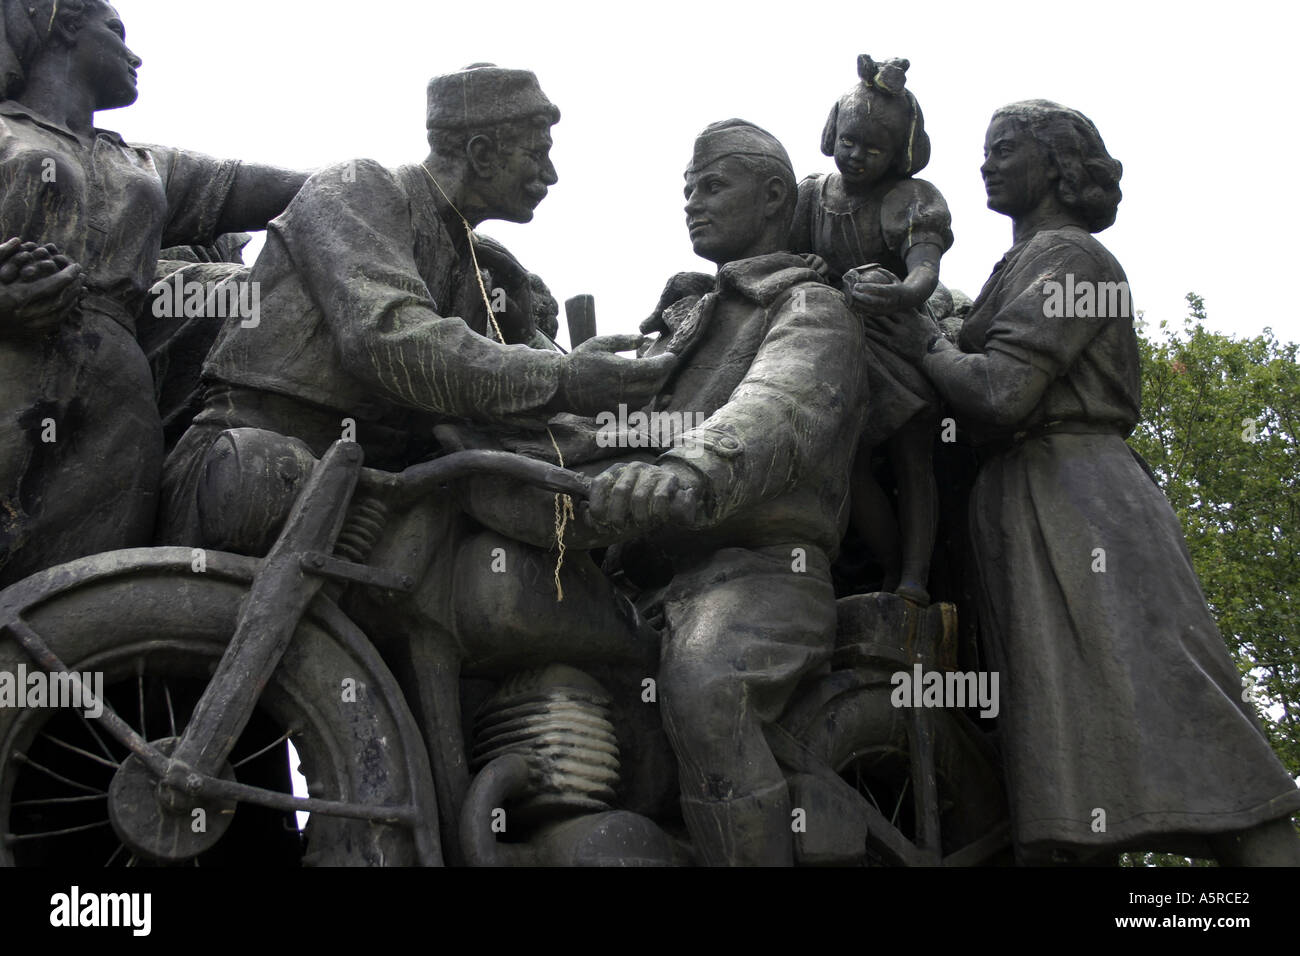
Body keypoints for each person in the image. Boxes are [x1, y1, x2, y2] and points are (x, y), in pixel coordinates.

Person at [865, 99, 1300, 864]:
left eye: (1004, 149)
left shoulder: (1073, 260)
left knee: (1178, 706)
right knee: (1067, 752)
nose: (986, 164)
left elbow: (1000, 391)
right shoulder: (1019, 265)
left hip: (1083, 504)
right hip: (1026, 509)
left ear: (1059, 167)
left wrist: (923, 339)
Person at [158, 63, 675, 547]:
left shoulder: (475, 268)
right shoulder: (358, 189)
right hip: (252, 466)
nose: (551, 174)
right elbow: (388, 339)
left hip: (376, 484)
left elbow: (508, 384)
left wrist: (621, 408)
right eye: (537, 153)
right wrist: (568, 380)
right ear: (481, 153)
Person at [571, 120, 868, 865]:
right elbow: (607, 429)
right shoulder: (679, 323)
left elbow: (780, 406)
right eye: (687, 191)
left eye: (712, 186)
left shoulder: (808, 307)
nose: (692, 204)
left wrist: (689, 472)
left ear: (772, 196)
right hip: (640, 582)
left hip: (761, 573)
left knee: (706, 685)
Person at [0, 0, 307, 585]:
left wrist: (395, 189)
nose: (134, 54)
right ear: (66, 26)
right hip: (13, 371)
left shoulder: (143, 166)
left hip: (119, 397)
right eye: (115, 32)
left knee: (91, 592)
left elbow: (275, 188)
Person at [789, 54, 953, 606]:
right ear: (833, 130)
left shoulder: (910, 200)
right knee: (850, 460)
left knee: (914, 461)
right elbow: (787, 257)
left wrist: (901, 293)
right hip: (836, 342)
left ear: (899, 154)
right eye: (850, 141)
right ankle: (883, 567)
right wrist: (805, 269)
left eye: (874, 149)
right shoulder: (810, 194)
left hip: (900, 344)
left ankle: (914, 577)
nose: (857, 156)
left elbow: (925, 272)